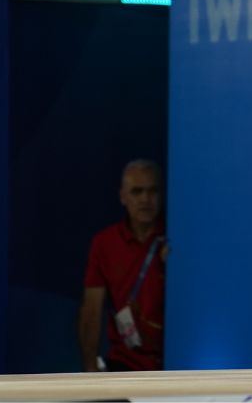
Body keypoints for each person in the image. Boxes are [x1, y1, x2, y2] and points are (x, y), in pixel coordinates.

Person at [78, 159, 166, 371]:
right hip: (124, 363)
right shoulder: (104, 243)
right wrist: (90, 372)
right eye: (137, 192)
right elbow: (92, 310)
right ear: (123, 197)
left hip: (173, 362)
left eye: (152, 191)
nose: (145, 199)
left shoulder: (176, 239)